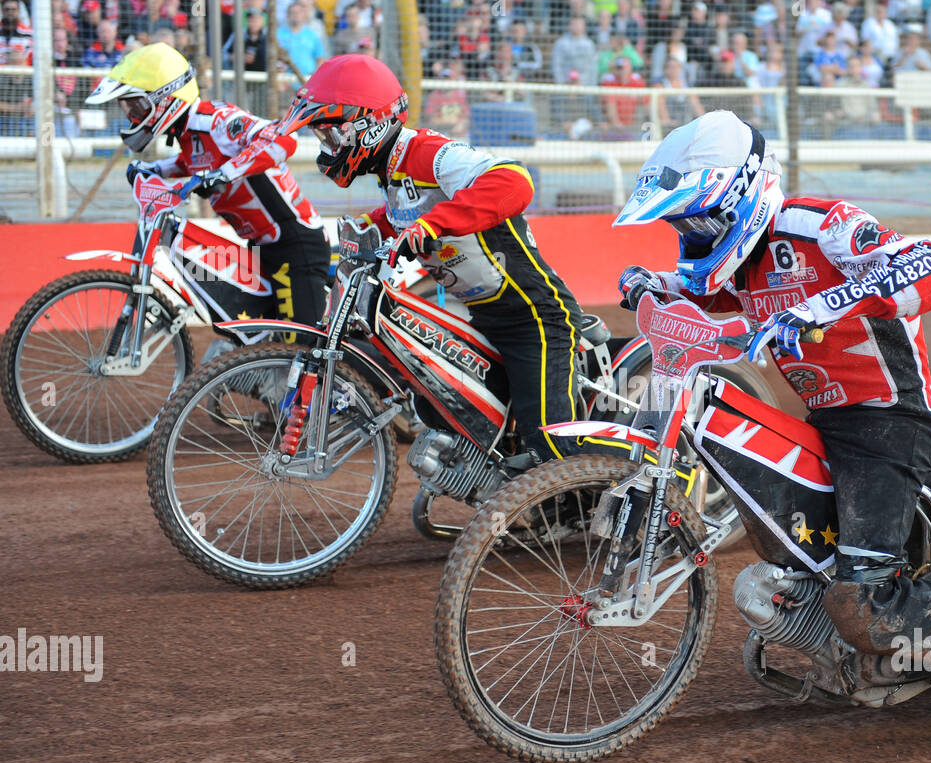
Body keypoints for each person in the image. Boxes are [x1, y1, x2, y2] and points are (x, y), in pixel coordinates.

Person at [614, 111, 931, 743]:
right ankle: (843, 654)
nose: (692, 237)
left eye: (700, 222)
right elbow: (704, 292)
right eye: (682, 227)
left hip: (887, 419)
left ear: (741, 198)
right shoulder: (740, 265)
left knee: (869, 603)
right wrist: (652, 283)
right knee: (782, 565)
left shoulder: (819, 226)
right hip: (819, 421)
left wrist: (824, 304)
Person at [277, 54, 584, 461]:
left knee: (550, 442)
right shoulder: (392, 172)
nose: (327, 149)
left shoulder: (429, 153)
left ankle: (647, 480)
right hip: (486, 320)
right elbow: (401, 213)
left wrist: (433, 226)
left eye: (331, 136)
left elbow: (514, 181)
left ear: (367, 126)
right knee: (453, 412)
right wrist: (362, 234)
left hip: (535, 319)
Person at [84, 42, 330, 338]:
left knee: (299, 347)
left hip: (296, 246)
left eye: (136, 107)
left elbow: (283, 140)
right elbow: (189, 164)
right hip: (261, 249)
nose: (132, 118)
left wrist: (224, 174)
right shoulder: (189, 136)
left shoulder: (216, 119)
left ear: (165, 98)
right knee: (246, 335)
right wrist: (153, 170)